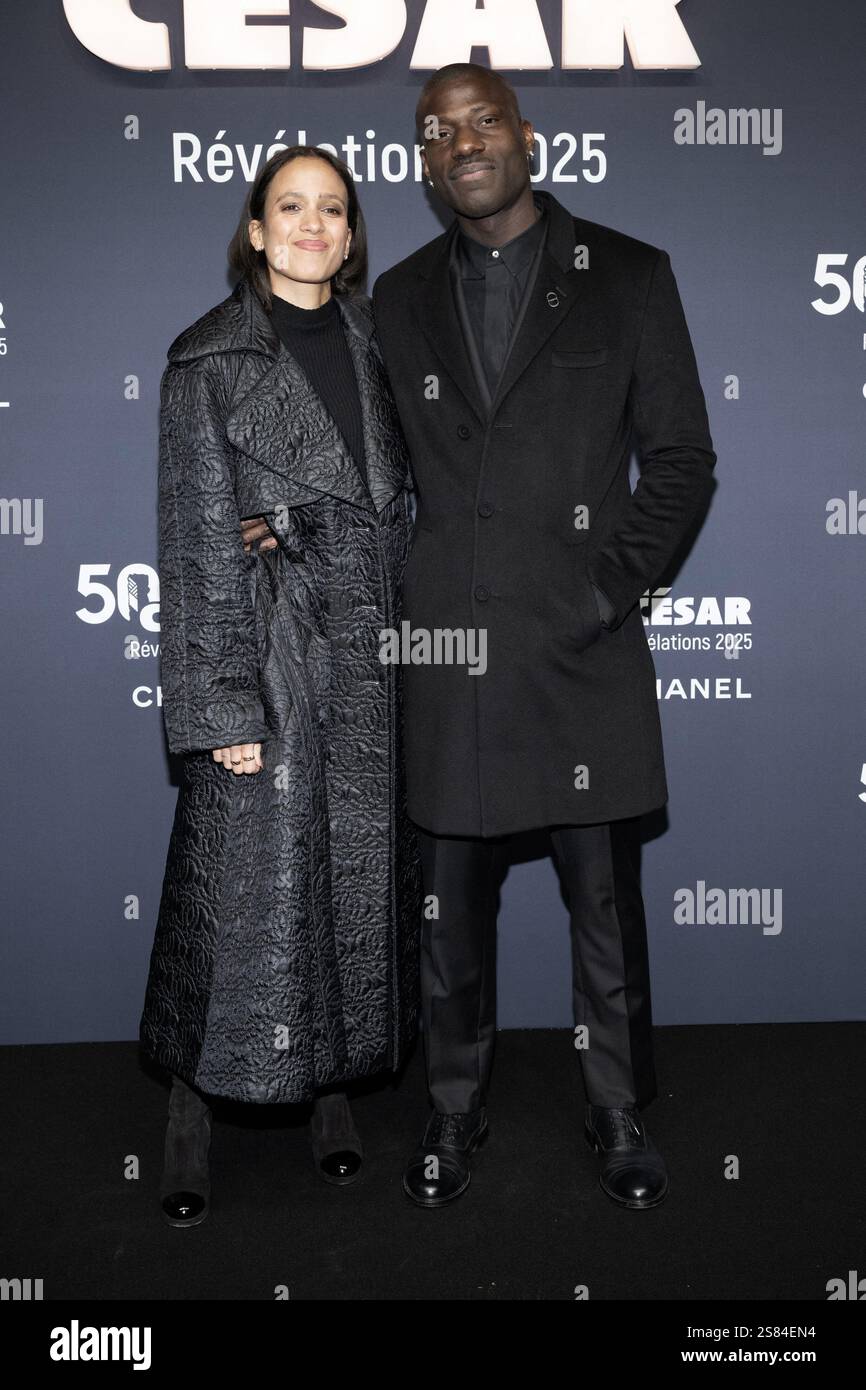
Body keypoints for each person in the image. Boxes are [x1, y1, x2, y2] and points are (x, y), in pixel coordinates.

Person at [241, 64, 717, 1212]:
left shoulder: (630, 276)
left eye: (479, 120)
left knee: (601, 907)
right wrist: (285, 515)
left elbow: (682, 464)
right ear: (420, 161)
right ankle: (452, 1108)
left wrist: (603, 597)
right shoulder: (391, 300)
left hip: (581, 656)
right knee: (447, 913)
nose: (459, 141)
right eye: (433, 131)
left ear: (525, 138)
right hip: (442, 663)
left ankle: (614, 1104)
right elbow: (367, 472)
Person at [140, 145, 421, 1227]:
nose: (311, 224)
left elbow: (400, 508)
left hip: (372, 669)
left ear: (348, 238)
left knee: (345, 901)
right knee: (241, 900)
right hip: (270, 662)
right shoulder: (205, 361)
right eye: (289, 207)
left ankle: (332, 1089)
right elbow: (198, 549)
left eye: (332, 209)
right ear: (255, 230)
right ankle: (186, 1106)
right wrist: (220, 711)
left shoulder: (374, 347)